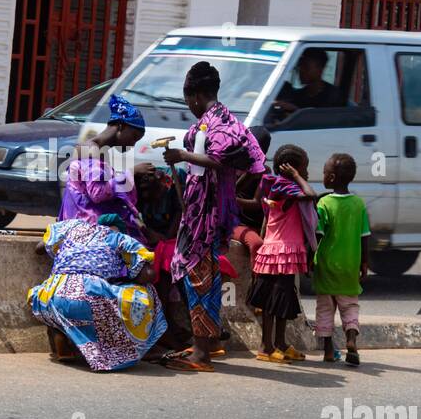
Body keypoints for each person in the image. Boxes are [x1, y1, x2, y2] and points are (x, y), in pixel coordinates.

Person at [159, 61, 266, 372]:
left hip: (207, 211)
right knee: (203, 274)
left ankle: (202, 354)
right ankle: (205, 343)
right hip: (205, 208)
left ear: (194, 96)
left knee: (199, 275)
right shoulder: (225, 120)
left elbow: (219, 160)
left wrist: (182, 155)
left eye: (186, 100)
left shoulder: (218, 124)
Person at [28, 214, 166, 372]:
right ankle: (114, 351)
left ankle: (59, 333)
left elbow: (39, 249)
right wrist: (127, 275)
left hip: (50, 298)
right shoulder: (120, 239)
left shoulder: (72, 226)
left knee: (50, 294)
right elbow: (148, 275)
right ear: (120, 230)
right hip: (87, 296)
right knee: (146, 292)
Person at [247, 144, 317, 363]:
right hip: (278, 251)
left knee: (283, 300)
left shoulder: (282, 186)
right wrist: (296, 176)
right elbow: (311, 195)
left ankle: (281, 344)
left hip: (284, 252)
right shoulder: (283, 186)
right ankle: (266, 347)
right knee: (270, 302)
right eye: (303, 168)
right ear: (289, 169)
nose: (306, 173)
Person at [59, 93, 146, 241]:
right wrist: (131, 173)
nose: (132, 145)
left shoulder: (95, 149)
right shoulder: (92, 150)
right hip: (85, 225)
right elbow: (97, 193)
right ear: (121, 126)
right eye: (133, 137)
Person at [312, 152, 371, 367]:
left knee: (325, 308)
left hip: (326, 265)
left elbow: (318, 234)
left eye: (325, 173)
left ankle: (328, 350)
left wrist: (311, 258)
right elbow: (365, 237)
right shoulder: (359, 204)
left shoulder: (324, 203)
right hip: (350, 266)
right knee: (350, 306)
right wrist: (365, 263)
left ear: (332, 178)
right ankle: (351, 339)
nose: (323, 176)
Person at [133, 161, 190, 351]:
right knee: (156, 271)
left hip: (173, 235)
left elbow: (180, 211)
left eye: (155, 195)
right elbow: (134, 215)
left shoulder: (175, 179)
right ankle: (164, 328)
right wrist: (148, 232)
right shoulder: (137, 189)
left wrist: (166, 237)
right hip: (149, 236)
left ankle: (168, 325)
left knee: (169, 264)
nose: (152, 199)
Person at [231, 126, 272, 268]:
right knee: (256, 243)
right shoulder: (232, 166)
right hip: (236, 224)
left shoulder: (264, 171)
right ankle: (256, 283)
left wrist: (232, 200)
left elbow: (256, 202)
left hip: (256, 223)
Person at [270, 48, 346, 117]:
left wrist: (297, 111)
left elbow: (325, 123)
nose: (301, 71)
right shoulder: (298, 95)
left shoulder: (333, 96)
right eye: (299, 66)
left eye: (306, 67)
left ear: (320, 68)